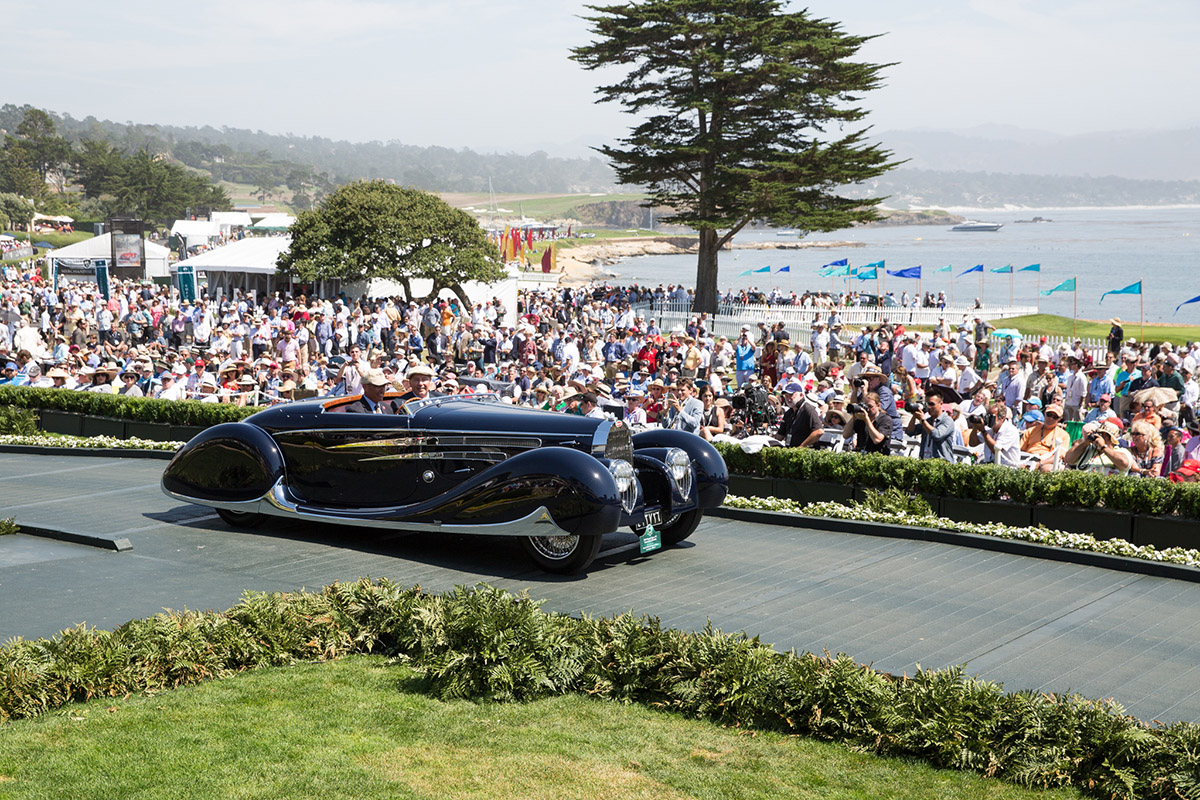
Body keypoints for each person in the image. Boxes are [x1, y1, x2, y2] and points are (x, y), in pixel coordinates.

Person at [906, 385, 956, 462]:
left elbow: (937, 435)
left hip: (941, 464)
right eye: (927, 404)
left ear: (941, 404)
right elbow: (910, 431)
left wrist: (922, 420)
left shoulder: (947, 420)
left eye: (932, 404)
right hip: (925, 462)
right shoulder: (928, 421)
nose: (929, 407)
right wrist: (914, 415)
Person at [1063, 420, 1133, 476]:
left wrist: (1103, 447)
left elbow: (1124, 463)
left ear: (1111, 439)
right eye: (1099, 434)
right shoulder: (1087, 449)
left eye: (1104, 435)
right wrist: (1085, 442)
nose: (1100, 437)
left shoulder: (1121, 451)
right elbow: (1068, 459)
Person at [1019, 403, 1070, 472]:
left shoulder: (1064, 435)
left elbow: (1058, 457)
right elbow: (1020, 450)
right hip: (1028, 459)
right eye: (1049, 415)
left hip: (1047, 462)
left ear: (1059, 419)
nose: (1051, 418)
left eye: (1055, 417)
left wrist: (1039, 464)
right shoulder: (1030, 431)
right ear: (1044, 413)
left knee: (1047, 470)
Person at [969, 402, 1021, 468]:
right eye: (987, 416)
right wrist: (975, 427)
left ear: (1002, 418)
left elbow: (996, 450)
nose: (988, 419)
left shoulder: (1010, 430)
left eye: (991, 417)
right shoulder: (989, 429)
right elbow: (972, 443)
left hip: (1007, 469)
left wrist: (983, 431)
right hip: (990, 466)